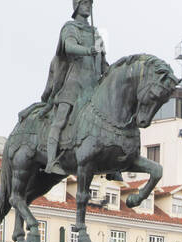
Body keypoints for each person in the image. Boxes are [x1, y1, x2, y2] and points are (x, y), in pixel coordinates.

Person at [42, 0, 108, 175]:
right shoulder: (70, 28)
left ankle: (111, 165)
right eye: (84, 3)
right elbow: (69, 47)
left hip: (93, 87)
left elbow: (103, 62)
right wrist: (88, 50)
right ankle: (50, 161)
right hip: (73, 84)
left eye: (89, 4)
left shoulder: (96, 33)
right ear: (76, 6)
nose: (88, 6)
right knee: (61, 119)